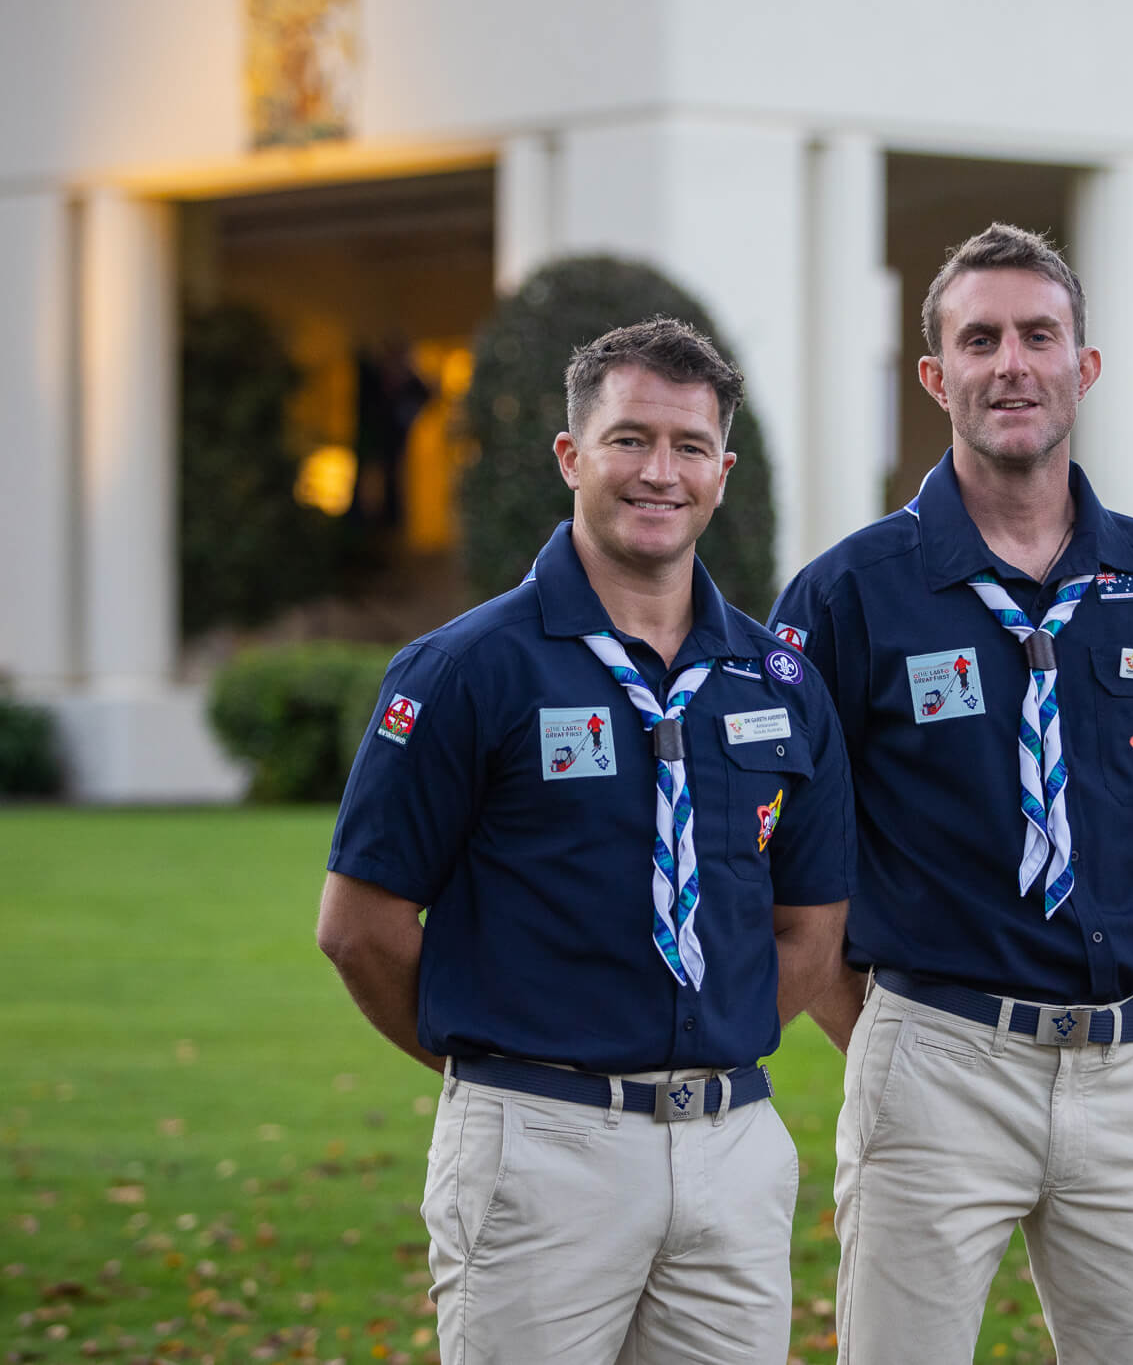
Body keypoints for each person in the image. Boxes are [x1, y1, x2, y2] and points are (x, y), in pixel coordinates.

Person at [316, 318, 856, 1365]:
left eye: (689, 447)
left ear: (723, 472)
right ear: (572, 456)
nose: (661, 472)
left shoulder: (780, 683)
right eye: (629, 440)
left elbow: (809, 928)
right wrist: (505, 1069)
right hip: (537, 1146)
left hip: (730, 1149)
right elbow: (361, 928)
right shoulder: (464, 669)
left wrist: (698, 1041)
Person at [772, 223, 1133, 1365]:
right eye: (977, 339)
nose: (1010, 364)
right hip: (933, 1060)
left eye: (1039, 335)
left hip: (1129, 1072)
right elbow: (782, 856)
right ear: (936, 376)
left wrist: (1092, 978)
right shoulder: (847, 595)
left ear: (1083, 367)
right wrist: (891, 1030)